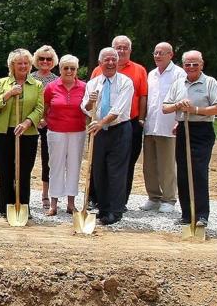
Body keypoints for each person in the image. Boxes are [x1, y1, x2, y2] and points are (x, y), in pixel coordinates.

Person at [162, 50, 217, 228]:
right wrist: (178, 105)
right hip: (183, 128)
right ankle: (187, 214)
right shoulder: (178, 83)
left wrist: (195, 110)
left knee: (198, 171)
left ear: (202, 65)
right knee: (183, 172)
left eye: (195, 64)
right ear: (183, 66)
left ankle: (202, 215)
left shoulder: (209, 82)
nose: (191, 67)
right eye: (187, 64)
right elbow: (166, 107)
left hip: (202, 130)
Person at [81, 46, 135, 225]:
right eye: (107, 60)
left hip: (119, 129)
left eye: (114, 59)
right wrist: (91, 101)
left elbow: (118, 109)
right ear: (100, 63)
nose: (111, 63)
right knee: (98, 170)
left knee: (116, 171)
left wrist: (102, 122)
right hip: (98, 131)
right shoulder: (93, 84)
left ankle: (115, 210)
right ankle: (103, 208)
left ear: (118, 62)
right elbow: (85, 108)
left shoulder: (126, 82)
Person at [91, 35, 147, 204]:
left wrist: (141, 120)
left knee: (124, 164)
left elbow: (143, 96)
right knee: (99, 163)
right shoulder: (97, 70)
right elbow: (92, 100)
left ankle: (120, 201)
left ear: (130, 50)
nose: (121, 51)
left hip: (128, 122)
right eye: (118, 48)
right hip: (99, 125)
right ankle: (96, 198)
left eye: (125, 48)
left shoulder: (139, 70)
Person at [0, 49, 44, 218]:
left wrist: (27, 122)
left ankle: (23, 206)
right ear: (12, 65)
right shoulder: (2, 83)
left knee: (24, 171)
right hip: (4, 132)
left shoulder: (37, 85)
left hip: (27, 133)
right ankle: (6, 207)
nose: (23, 66)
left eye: (26, 63)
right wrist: (10, 93)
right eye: (19, 63)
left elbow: (40, 108)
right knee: (5, 171)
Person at [141, 41, 185, 213]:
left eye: (161, 53)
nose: (157, 56)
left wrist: (178, 121)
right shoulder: (151, 74)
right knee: (149, 165)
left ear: (170, 55)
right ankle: (154, 197)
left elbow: (182, 98)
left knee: (166, 165)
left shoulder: (178, 73)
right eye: (155, 52)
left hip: (168, 127)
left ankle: (169, 199)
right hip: (151, 124)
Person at [42, 55, 87, 215]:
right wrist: (47, 121)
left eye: (72, 68)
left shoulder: (84, 87)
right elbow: (45, 108)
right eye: (65, 68)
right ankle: (54, 203)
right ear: (60, 69)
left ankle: (71, 203)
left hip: (77, 131)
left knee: (74, 166)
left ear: (76, 70)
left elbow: (88, 108)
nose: (69, 71)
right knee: (55, 166)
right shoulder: (51, 87)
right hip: (56, 131)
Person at [30, 45, 60, 208]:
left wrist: (46, 119)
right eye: (41, 58)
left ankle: (45, 193)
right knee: (27, 157)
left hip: (50, 123)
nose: (45, 61)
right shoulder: (30, 77)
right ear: (36, 60)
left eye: (48, 59)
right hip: (31, 122)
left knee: (48, 159)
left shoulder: (57, 80)